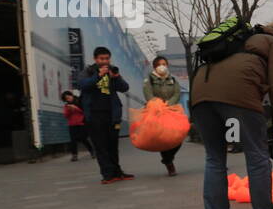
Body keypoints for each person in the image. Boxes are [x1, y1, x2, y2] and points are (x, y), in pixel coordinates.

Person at [190, 20, 273, 209]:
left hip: (200, 94)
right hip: (238, 95)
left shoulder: (244, 39)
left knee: (214, 158)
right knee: (257, 157)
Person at [78, 47, 132, 183]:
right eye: (102, 59)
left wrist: (116, 77)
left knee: (113, 145)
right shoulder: (88, 72)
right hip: (94, 115)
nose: (105, 61)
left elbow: (125, 87)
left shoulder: (112, 71)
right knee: (101, 146)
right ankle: (107, 175)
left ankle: (117, 172)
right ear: (95, 59)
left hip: (112, 114)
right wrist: (99, 75)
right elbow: (83, 85)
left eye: (107, 58)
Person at [142, 55, 183, 176]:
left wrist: (169, 104)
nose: (162, 67)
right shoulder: (149, 79)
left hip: (172, 111)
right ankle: (169, 163)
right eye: (160, 64)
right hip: (156, 112)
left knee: (178, 137)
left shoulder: (172, 79)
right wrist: (159, 105)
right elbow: (148, 94)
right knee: (163, 139)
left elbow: (177, 93)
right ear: (155, 67)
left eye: (164, 64)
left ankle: (167, 158)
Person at [61, 91, 92, 161]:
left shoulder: (80, 101)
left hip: (82, 123)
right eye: (66, 99)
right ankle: (74, 155)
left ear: (71, 95)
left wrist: (75, 108)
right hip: (72, 124)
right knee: (73, 140)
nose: (68, 99)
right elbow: (66, 116)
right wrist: (69, 110)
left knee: (83, 138)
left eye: (69, 97)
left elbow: (84, 111)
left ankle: (92, 150)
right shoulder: (67, 106)